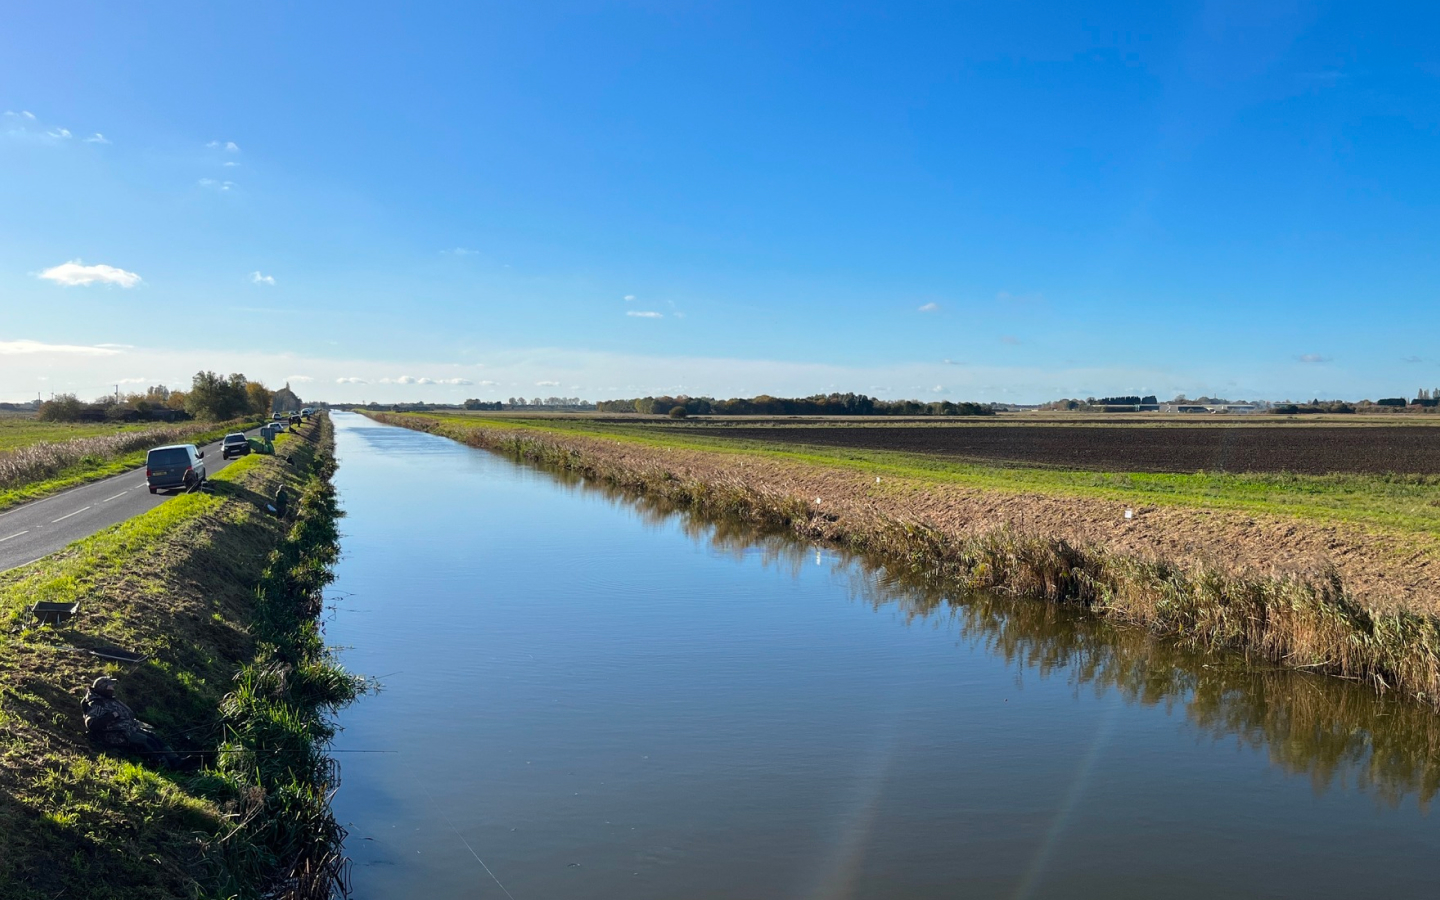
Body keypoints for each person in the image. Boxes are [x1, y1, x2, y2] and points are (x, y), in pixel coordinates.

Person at [81, 677, 181, 768]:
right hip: (117, 734)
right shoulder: (97, 703)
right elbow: (91, 724)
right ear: (103, 687)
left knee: (154, 737)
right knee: (147, 741)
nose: (112, 688)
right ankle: (166, 766)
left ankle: (177, 761)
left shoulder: (109, 699)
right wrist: (112, 716)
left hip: (130, 729)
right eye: (110, 685)